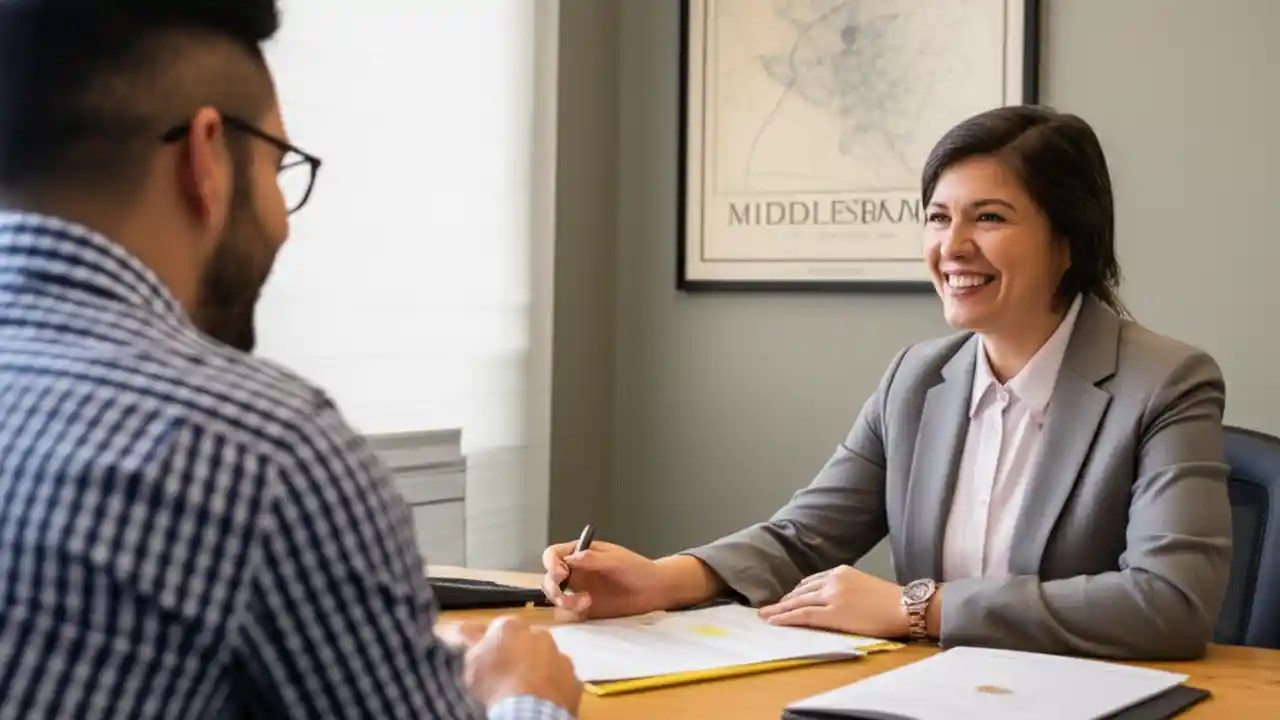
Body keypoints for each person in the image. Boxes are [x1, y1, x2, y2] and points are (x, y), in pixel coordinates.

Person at [0, 2, 579, 719]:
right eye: (279, 168)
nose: (281, 219)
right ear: (205, 157)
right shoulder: (261, 450)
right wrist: (524, 695)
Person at [542, 105, 1233, 661]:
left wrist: (917, 607)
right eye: (938, 216)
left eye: (988, 217)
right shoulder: (919, 378)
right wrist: (661, 581)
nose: (952, 246)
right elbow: (803, 538)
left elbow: (1168, 605)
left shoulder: (1166, 383)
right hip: (931, 696)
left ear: (1070, 241)